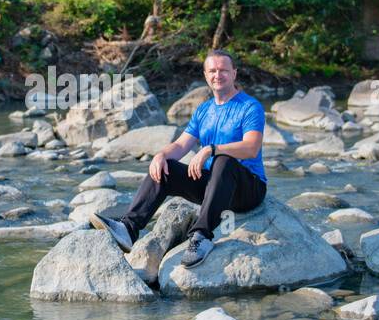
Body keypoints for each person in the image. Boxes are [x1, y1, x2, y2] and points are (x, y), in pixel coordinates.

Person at [90, 48, 266, 268]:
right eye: (212, 70)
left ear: (234, 74)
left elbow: (251, 148)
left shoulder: (250, 107)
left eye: (223, 70)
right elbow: (182, 145)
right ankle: (129, 228)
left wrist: (212, 149)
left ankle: (201, 236)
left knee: (224, 158)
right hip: (214, 187)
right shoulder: (204, 110)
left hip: (247, 189)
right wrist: (161, 155)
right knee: (167, 168)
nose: (217, 75)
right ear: (205, 75)